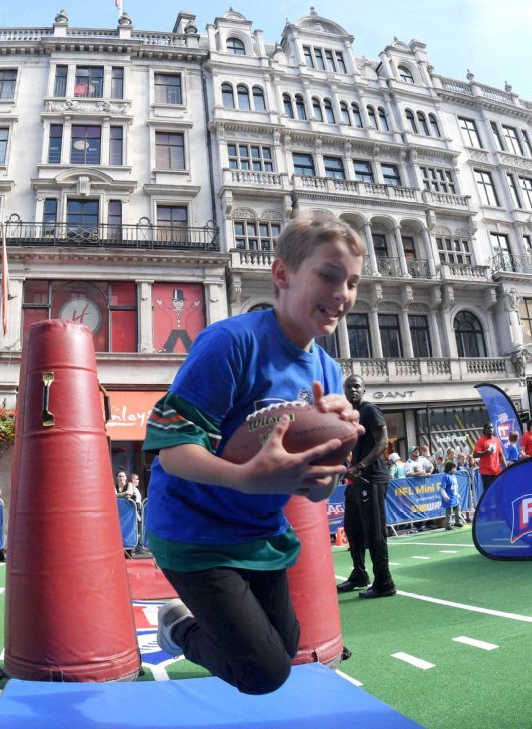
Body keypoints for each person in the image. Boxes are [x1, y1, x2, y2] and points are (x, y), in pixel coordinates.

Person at [144, 210, 364, 696]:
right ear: (282, 274)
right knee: (264, 673)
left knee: (284, 648)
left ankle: (195, 631)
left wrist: (335, 454)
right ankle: (180, 629)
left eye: (351, 282)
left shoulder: (327, 372)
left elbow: (316, 488)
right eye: (328, 275)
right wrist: (245, 478)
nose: (342, 294)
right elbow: (170, 450)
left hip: (259, 532)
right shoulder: (230, 342)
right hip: (192, 531)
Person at [336, 374, 394, 599]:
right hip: (356, 481)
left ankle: (385, 582)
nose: (353, 390)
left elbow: (382, 442)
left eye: (357, 386)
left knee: (375, 532)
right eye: (349, 387)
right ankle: (360, 574)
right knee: (352, 529)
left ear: (363, 389)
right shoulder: (350, 416)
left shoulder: (370, 410)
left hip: (373, 478)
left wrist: (360, 466)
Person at [472, 422, 505, 497]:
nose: (490, 429)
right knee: (488, 494)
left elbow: (500, 455)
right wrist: (486, 452)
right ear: (484, 430)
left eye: (491, 427)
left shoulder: (496, 440)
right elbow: (474, 454)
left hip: (497, 471)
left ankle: (498, 507)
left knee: (498, 491)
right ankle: (488, 508)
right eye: (488, 428)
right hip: (486, 472)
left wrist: (506, 466)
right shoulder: (481, 441)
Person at [438, 461, 463, 530]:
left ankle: (457, 522)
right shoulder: (446, 477)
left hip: (455, 497)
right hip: (449, 498)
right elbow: (442, 488)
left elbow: (455, 487)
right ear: (449, 468)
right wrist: (445, 495)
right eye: (454, 468)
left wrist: (457, 494)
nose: (455, 469)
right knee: (449, 511)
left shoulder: (454, 476)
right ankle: (448, 524)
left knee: (458, 509)